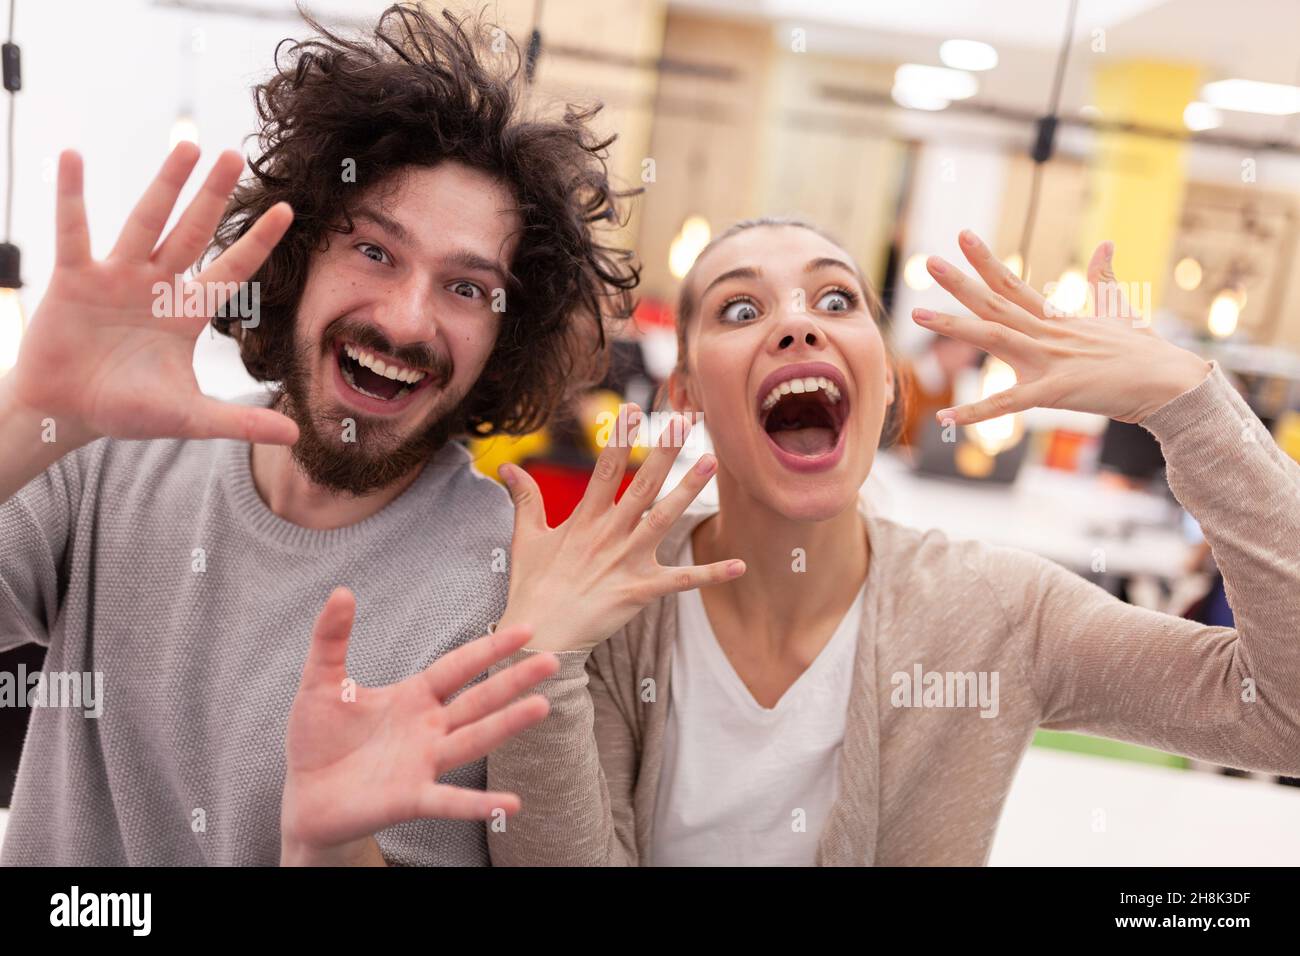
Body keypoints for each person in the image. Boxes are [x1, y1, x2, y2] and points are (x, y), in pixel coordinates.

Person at [0, 4, 650, 866]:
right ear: (296, 261)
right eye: (375, 252)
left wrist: (331, 850)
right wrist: (27, 416)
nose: (406, 319)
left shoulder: (503, 599)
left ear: (505, 339)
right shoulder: (109, 455)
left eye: (466, 289)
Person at [482, 218, 1300, 866]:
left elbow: (1282, 717)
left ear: (884, 390)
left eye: (836, 301)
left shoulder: (997, 612)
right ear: (686, 394)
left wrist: (1187, 403)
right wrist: (540, 670)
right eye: (741, 307)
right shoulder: (615, 612)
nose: (798, 325)